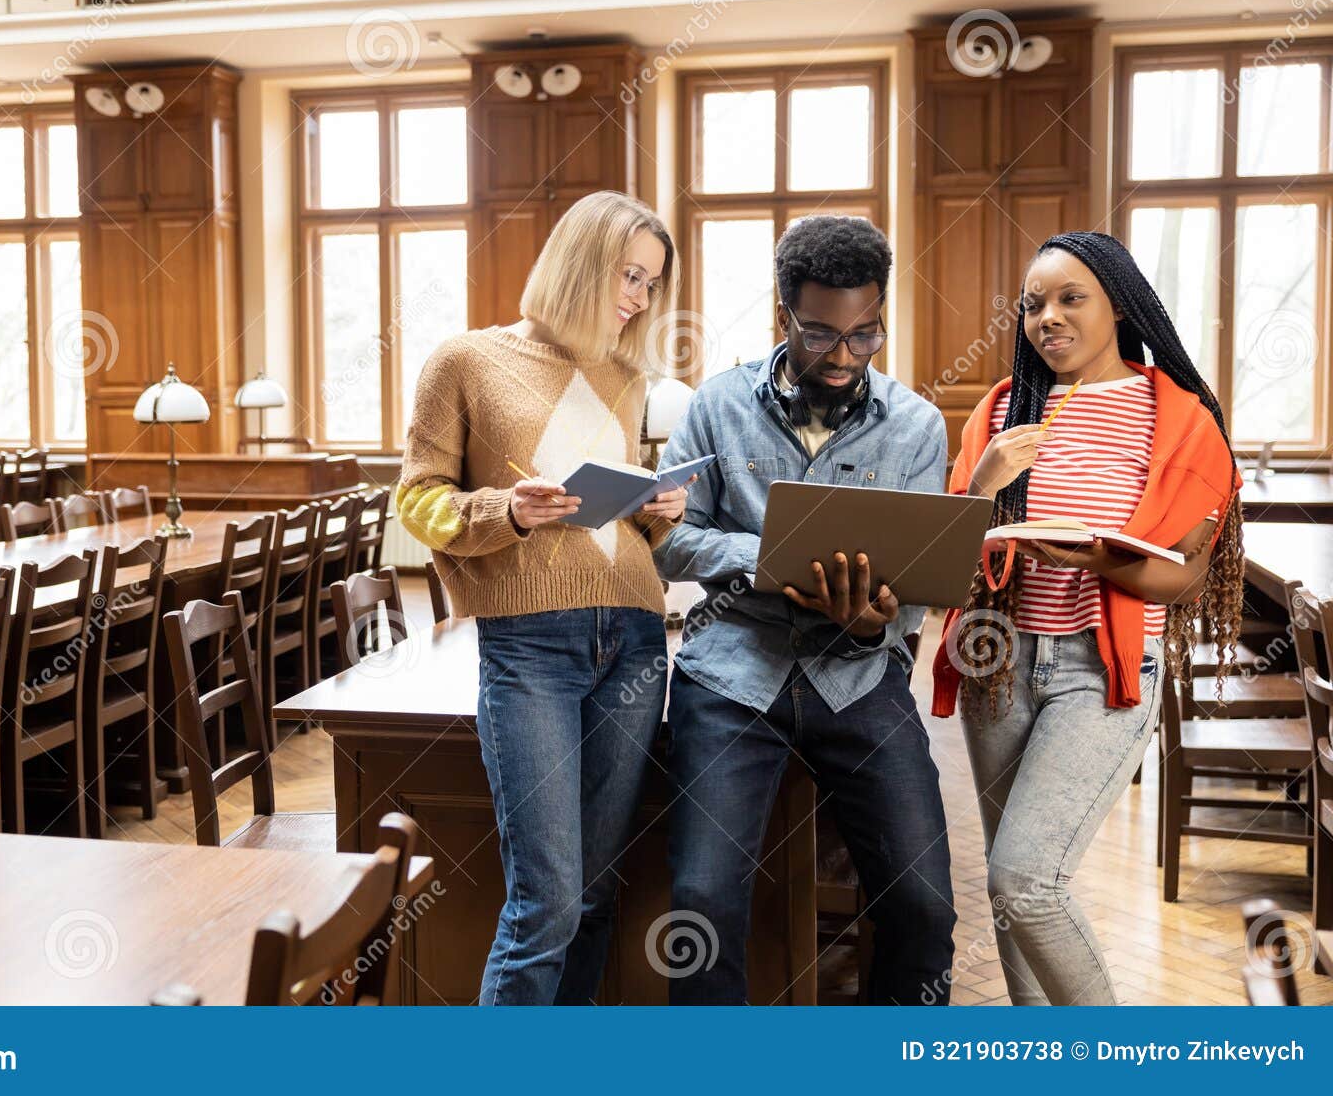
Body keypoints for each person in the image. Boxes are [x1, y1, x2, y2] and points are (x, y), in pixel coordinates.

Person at [931, 230, 1244, 1006]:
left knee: (1026, 877)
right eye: (1034, 304)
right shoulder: (1004, 410)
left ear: (1119, 305)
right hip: (996, 661)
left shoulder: (1176, 415)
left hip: (1101, 669)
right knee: (1012, 900)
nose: (1049, 318)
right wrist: (985, 483)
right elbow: (945, 556)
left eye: (1072, 299)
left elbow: (1186, 574)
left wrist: (1101, 562)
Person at [654, 214, 957, 1004]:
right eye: (822, 335)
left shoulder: (920, 425)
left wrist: (876, 620)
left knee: (923, 907)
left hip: (858, 677)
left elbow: (921, 573)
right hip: (731, 675)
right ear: (782, 316)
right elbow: (665, 541)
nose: (844, 358)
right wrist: (765, 564)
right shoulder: (714, 407)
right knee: (702, 907)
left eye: (866, 336)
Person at [396, 190, 690, 1005]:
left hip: (633, 638)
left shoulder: (629, 378)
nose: (637, 298)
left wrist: (660, 514)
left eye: (649, 284)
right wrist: (506, 511)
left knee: (595, 896)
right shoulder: (466, 361)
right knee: (547, 901)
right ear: (578, 262)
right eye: (627, 275)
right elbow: (417, 498)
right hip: (530, 648)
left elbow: (611, 526)